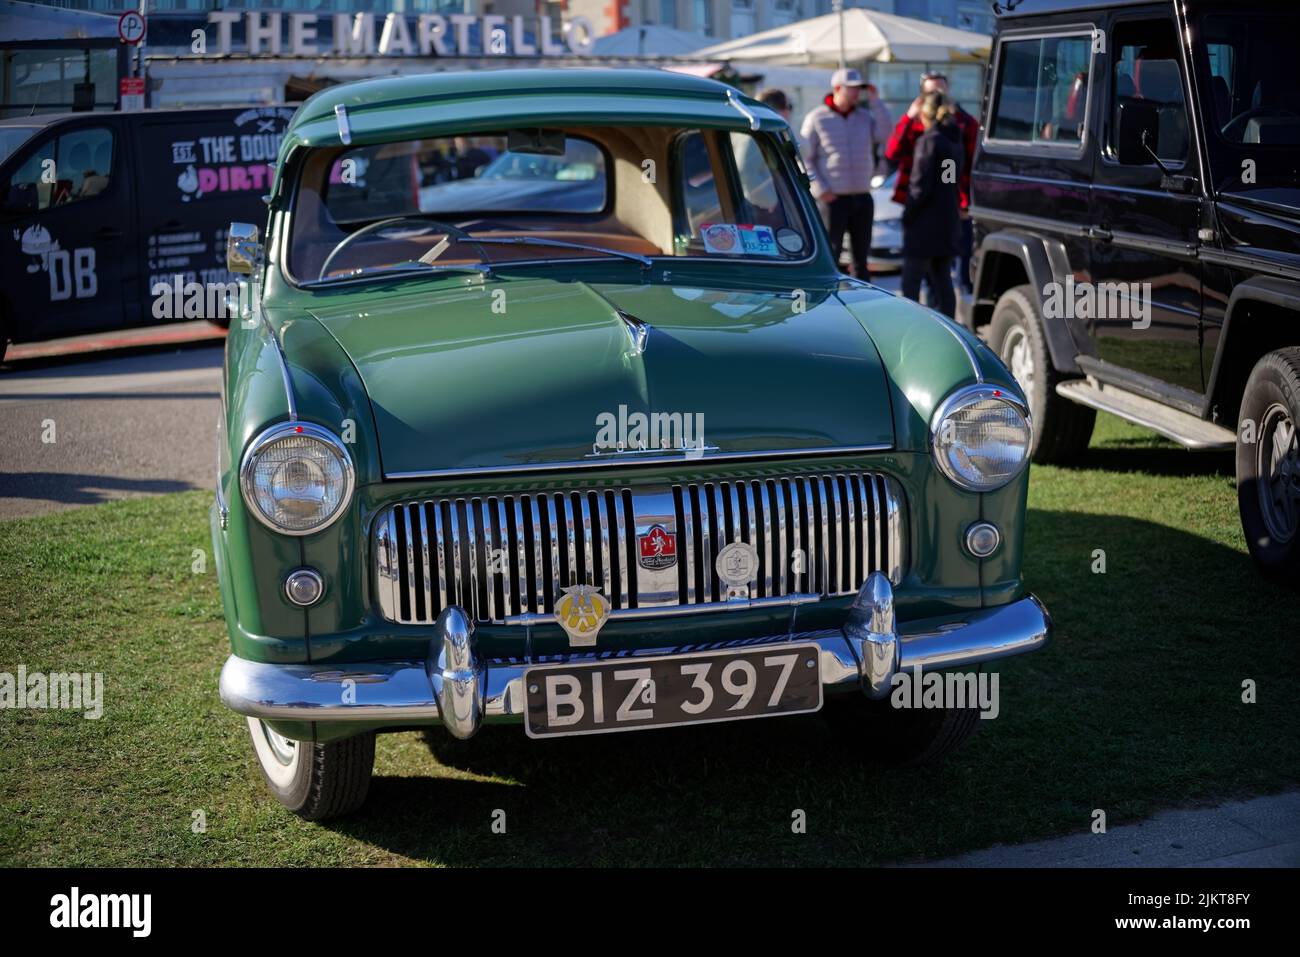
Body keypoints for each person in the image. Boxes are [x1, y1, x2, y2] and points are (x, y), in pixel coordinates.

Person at [885, 71, 979, 293]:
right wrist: (908, 118)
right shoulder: (925, 127)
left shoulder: (955, 129)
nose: (936, 96)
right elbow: (893, 152)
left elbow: (955, 172)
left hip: (934, 208)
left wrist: (959, 200)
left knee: (927, 277)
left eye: (940, 91)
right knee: (940, 277)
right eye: (931, 92)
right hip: (937, 206)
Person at [800, 68, 888, 280]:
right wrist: (820, 190)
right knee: (831, 254)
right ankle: (827, 301)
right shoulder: (816, 118)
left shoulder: (866, 116)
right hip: (833, 199)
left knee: (861, 259)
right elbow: (803, 158)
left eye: (860, 89)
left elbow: (886, 134)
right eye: (852, 89)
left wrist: (876, 102)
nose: (857, 93)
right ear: (838, 89)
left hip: (862, 196)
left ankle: (862, 306)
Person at [900, 91, 963, 318]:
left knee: (911, 284)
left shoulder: (929, 142)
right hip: (946, 220)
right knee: (943, 280)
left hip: (924, 224)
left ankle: (909, 327)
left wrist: (908, 215)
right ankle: (951, 326)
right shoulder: (954, 141)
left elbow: (920, 185)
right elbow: (949, 181)